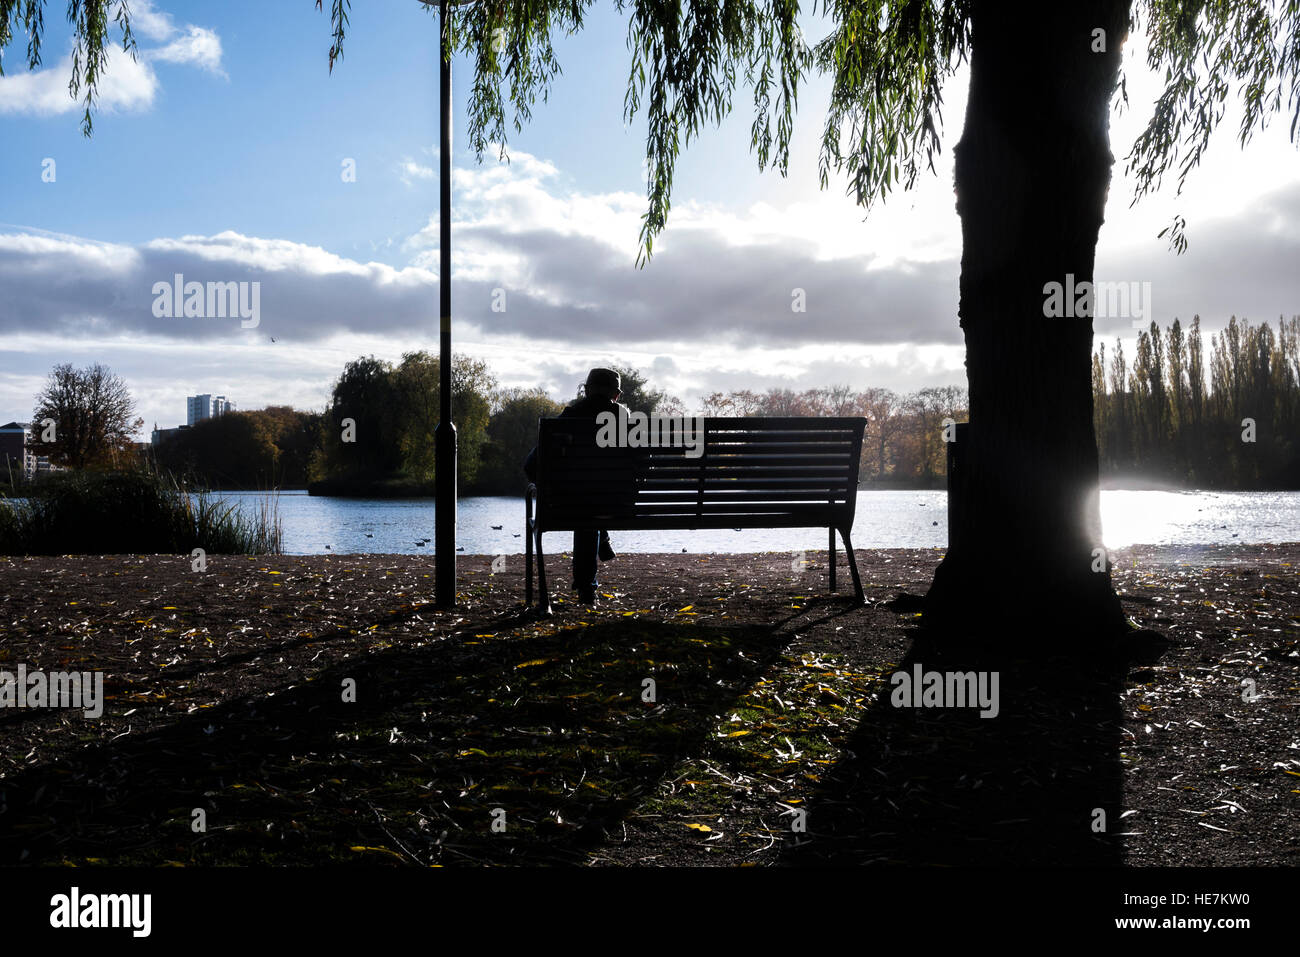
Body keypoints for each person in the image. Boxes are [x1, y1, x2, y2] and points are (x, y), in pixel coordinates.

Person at [523, 368, 625, 605]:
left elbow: (530, 465)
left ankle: (587, 588)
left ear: (586, 390)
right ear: (616, 395)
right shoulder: (627, 422)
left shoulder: (569, 418)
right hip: (621, 505)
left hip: (571, 504)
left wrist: (552, 491)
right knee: (593, 505)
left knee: (584, 509)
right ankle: (603, 539)